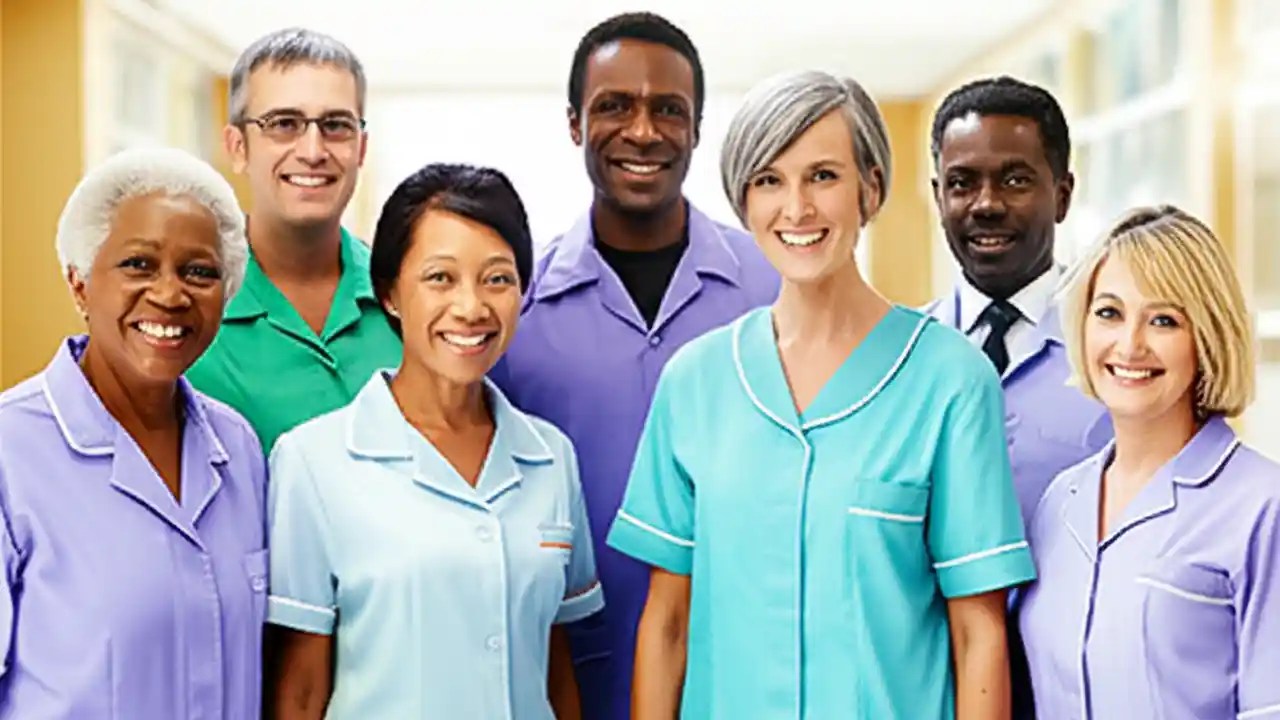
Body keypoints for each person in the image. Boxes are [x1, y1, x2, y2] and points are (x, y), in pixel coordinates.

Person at [608, 70, 1034, 719]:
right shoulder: (695, 382)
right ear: (743, 199)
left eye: (823, 176)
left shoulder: (950, 379)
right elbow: (667, 623)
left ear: (871, 188)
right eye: (769, 180)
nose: (797, 209)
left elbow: (978, 633)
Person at [490, 13, 778, 717]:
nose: (643, 131)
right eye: (614, 106)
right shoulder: (514, 310)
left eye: (668, 110)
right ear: (573, 123)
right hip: (567, 683)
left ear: (698, 127)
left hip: (747, 681)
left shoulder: (773, 290)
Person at [267, 163, 603, 720]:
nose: (471, 308)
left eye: (497, 278)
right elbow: (301, 689)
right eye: (440, 278)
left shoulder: (550, 458)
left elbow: (556, 663)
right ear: (391, 294)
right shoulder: (314, 462)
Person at [0, 147, 265, 718]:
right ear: (79, 284)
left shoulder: (239, 448)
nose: (170, 295)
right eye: (138, 265)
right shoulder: (10, 455)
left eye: (199, 272)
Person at [1017, 206, 1280, 719]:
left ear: (1205, 338)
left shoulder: (1263, 508)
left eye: (1163, 320)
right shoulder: (1059, 504)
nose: (1130, 344)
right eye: (1109, 313)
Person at [186, 27, 401, 453]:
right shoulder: (185, 310)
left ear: (361, 148)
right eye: (284, 124)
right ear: (237, 147)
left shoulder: (408, 301)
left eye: (336, 125)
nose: (313, 150)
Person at [927, 76, 1109, 527]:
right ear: (939, 197)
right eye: (962, 183)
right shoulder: (898, 356)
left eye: (1015, 180)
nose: (986, 204)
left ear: (1062, 196)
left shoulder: (1122, 352)